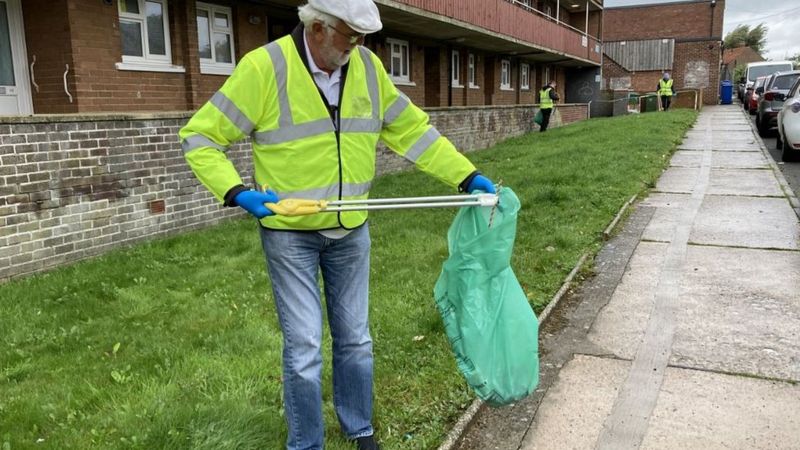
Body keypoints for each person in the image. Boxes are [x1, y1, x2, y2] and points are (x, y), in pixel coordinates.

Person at [179, 1, 495, 449]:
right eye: (351, 34)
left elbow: (412, 131)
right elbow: (201, 136)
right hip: (290, 235)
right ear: (318, 27)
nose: (358, 45)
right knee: (305, 348)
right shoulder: (265, 67)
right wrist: (236, 192)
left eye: (363, 36)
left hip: (351, 232)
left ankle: (359, 427)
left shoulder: (366, 67)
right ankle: (306, 443)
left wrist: (465, 175)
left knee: (356, 341)